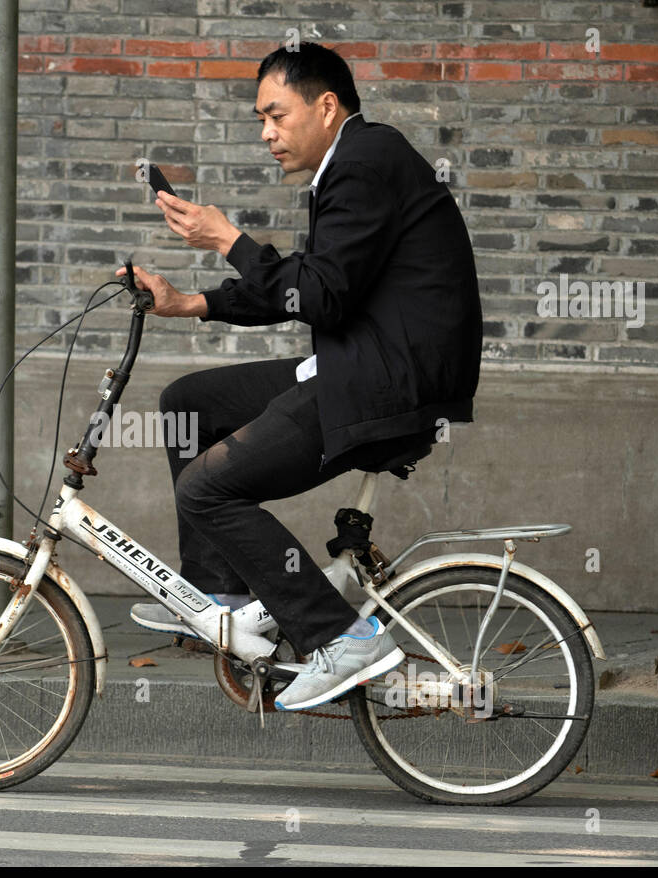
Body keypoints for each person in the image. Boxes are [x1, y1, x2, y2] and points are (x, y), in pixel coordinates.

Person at [122, 42, 483, 712]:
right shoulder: (352, 163)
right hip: (361, 365)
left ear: (325, 105)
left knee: (207, 490)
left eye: (276, 115)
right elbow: (313, 288)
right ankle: (225, 600)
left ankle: (341, 638)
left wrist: (227, 238)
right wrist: (190, 302)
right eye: (261, 119)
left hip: (385, 385)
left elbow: (322, 297)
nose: (266, 133)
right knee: (188, 405)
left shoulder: (366, 161)